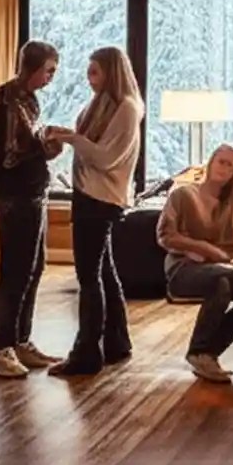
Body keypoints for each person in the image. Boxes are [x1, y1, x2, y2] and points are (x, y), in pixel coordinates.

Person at [46, 46, 145, 376]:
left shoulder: (128, 109)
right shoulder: (101, 105)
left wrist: (73, 138)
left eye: (95, 72)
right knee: (103, 271)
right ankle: (117, 342)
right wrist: (69, 137)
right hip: (88, 195)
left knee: (88, 276)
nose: (90, 79)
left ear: (111, 72)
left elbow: (106, 158)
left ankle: (86, 353)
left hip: (100, 199)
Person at [156, 143, 233, 385]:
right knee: (220, 283)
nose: (224, 168)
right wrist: (206, 249)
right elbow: (165, 236)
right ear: (210, 162)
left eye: (230, 165)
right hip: (183, 268)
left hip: (219, 271)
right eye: (220, 161)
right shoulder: (183, 195)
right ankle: (200, 353)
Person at [0, 40, 63, 379]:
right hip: (14, 198)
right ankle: (2, 348)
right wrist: (47, 146)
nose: (50, 78)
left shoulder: (30, 100)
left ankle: (21, 340)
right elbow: (12, 152)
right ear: (33, 66)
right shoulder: (7, 99)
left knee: (35, 267)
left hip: (33, 194)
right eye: (48, 70)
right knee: (15, 272)